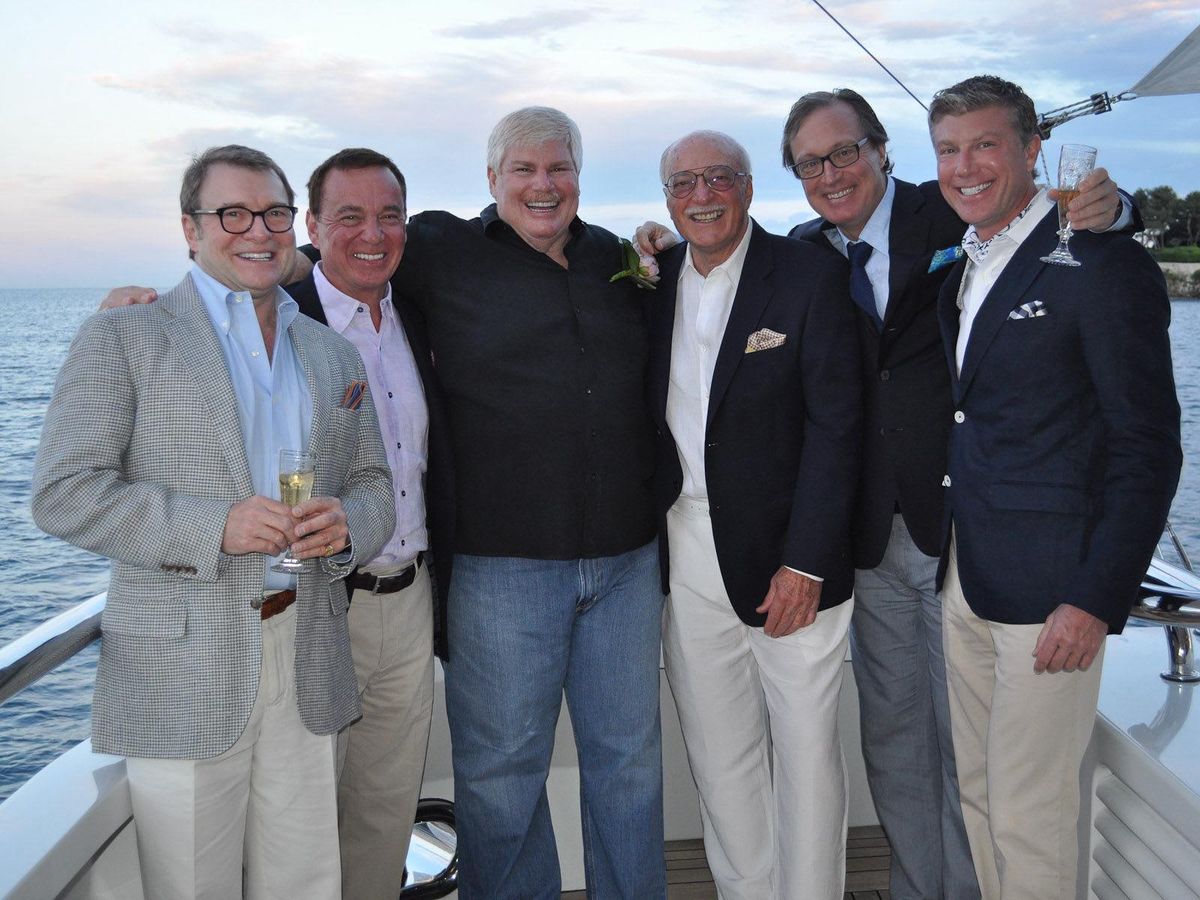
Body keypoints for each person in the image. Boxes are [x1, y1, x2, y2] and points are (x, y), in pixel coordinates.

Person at [636, 90, 1127, 900]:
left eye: (844, 153)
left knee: (974, 753)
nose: (831, 174)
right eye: (811, 163)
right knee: (896, 740)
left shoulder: (957, 210)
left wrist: (1119, 205)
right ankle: (915, 887)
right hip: (868, 534)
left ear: (880, 149)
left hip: (961, 529)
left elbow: (1053, 219)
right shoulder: (802, 253)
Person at [32, 144, 395, 899]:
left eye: (272, 213)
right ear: (191, 229)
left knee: (308, 885)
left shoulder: (330, 353)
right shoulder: (124, 337)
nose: (255, 230)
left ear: (295, 227)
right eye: (231, 212)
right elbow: (64, 492)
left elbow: (372, 484)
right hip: (181, 668)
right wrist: (213, 526)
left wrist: (349, 526)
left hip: (311, 652)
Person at [379, 107, 665, 899]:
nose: (545, 185)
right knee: (502, 772)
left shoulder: (617, 258)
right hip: (500, 567)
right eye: (525, 170)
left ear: (579, 175)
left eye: (560, 168)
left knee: (632, 765)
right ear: (492, 178)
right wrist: (195, 290)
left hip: (626, 560)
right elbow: (335, 262)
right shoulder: (440, 250)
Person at [928, 74, 1181, 900]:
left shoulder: (1100, 264)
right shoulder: (963, 261)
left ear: (1034, 149)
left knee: (1029, 813)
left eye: (986, 145)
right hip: (966, 575)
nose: (965, 167)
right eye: (949, 151)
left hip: (1052, 594)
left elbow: (1147, 448)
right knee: (981, 798)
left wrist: (1096, 597)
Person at [649, 130, 862, 899]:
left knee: (806, 754)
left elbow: (840, 428)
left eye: (719, 178)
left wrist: (806, 561)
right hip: (687, 547)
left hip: (790, 557)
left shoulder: (808, 276)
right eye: (683, 183)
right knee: (720, 752)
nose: (701, 195)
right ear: (667, 197)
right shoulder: (652, 275)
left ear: (747, 187)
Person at [293, 148, 450, 900]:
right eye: (349, 216)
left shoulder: (417, 313)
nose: (372, 233)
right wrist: (139, 305)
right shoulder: (277, 318)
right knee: (303, 820)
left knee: (385, 813)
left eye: (389, 216)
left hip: (411, 600)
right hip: (317, 608)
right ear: (312, 227)